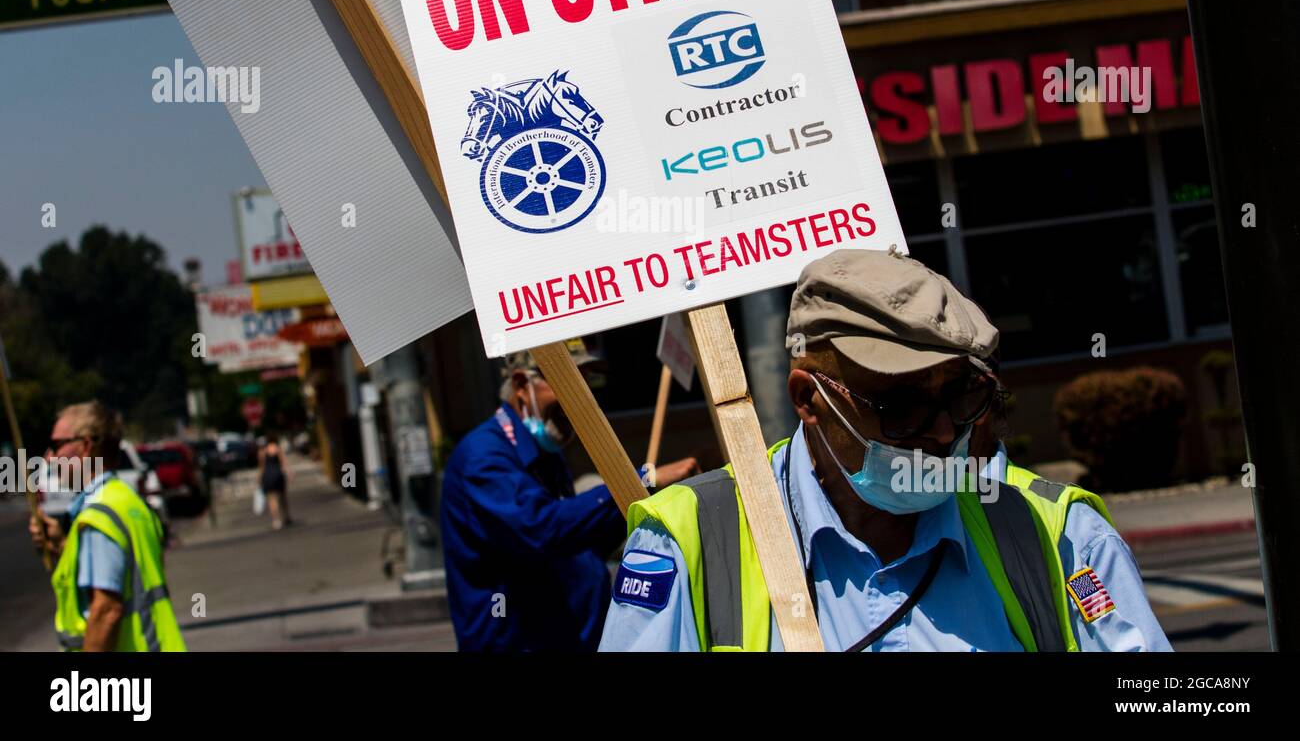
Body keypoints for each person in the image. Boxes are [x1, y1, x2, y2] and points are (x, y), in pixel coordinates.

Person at [599, 248, 1171, 651]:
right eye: (901, 407)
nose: (944, 432)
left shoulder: (1058, 533)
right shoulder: (690, 540)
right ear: (809, 398)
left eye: (962, 395)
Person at [440, 350, 700, 651]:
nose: (580, 401)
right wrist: (640, 480)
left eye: (587, 386)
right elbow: (542, 529)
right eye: (569, 385)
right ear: (523, 385)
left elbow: (578, 539)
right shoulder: (483, 457)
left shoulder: (546, 454)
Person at [29, 401, 186, 652]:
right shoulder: (127, 500)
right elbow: (128, 581)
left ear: (85, 446)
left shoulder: (99, 516)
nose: (50, 457)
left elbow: (106, 611)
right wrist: (61, 544)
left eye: (58, 445)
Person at [258, 435, 291, 529]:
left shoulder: (262, 452)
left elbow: (262, 467)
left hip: (267, 476)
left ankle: (276, 520)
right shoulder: (278, 449)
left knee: (272, 499)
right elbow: (283, 463)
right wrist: (288, 473)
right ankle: (286, 516)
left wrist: (259, 478)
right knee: (282, 497)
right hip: (278, 474)